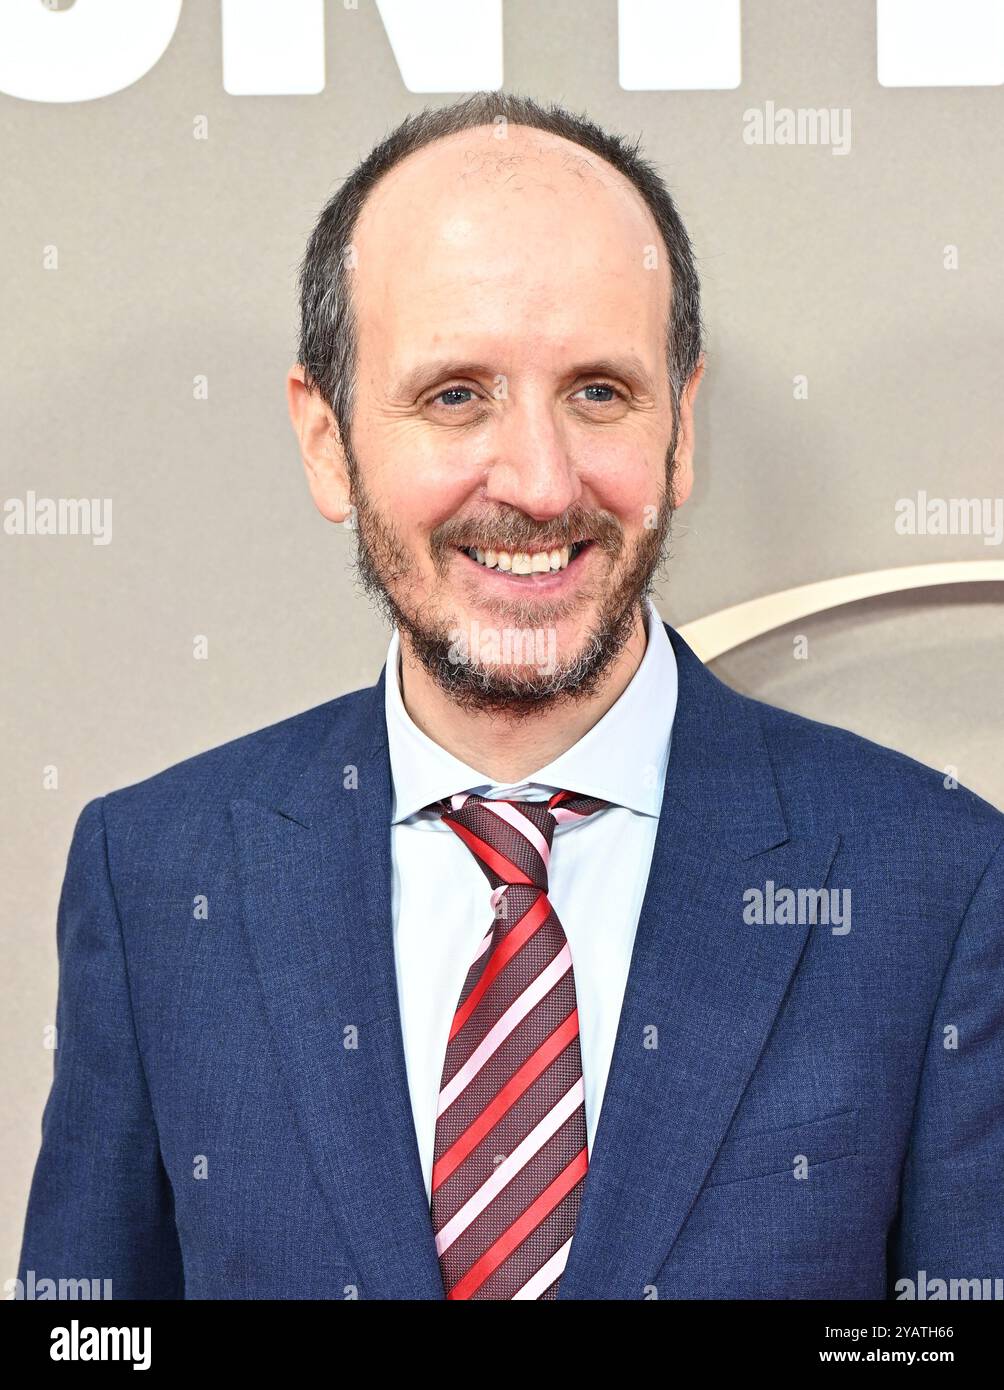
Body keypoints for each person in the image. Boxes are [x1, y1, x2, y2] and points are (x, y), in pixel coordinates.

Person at [17, 93, 1003, 1301]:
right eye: (454, 396)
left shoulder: (934, 880)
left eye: (597, 392)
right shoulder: (160, 874)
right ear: (327, 441)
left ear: (679, 429)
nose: (538, 483)